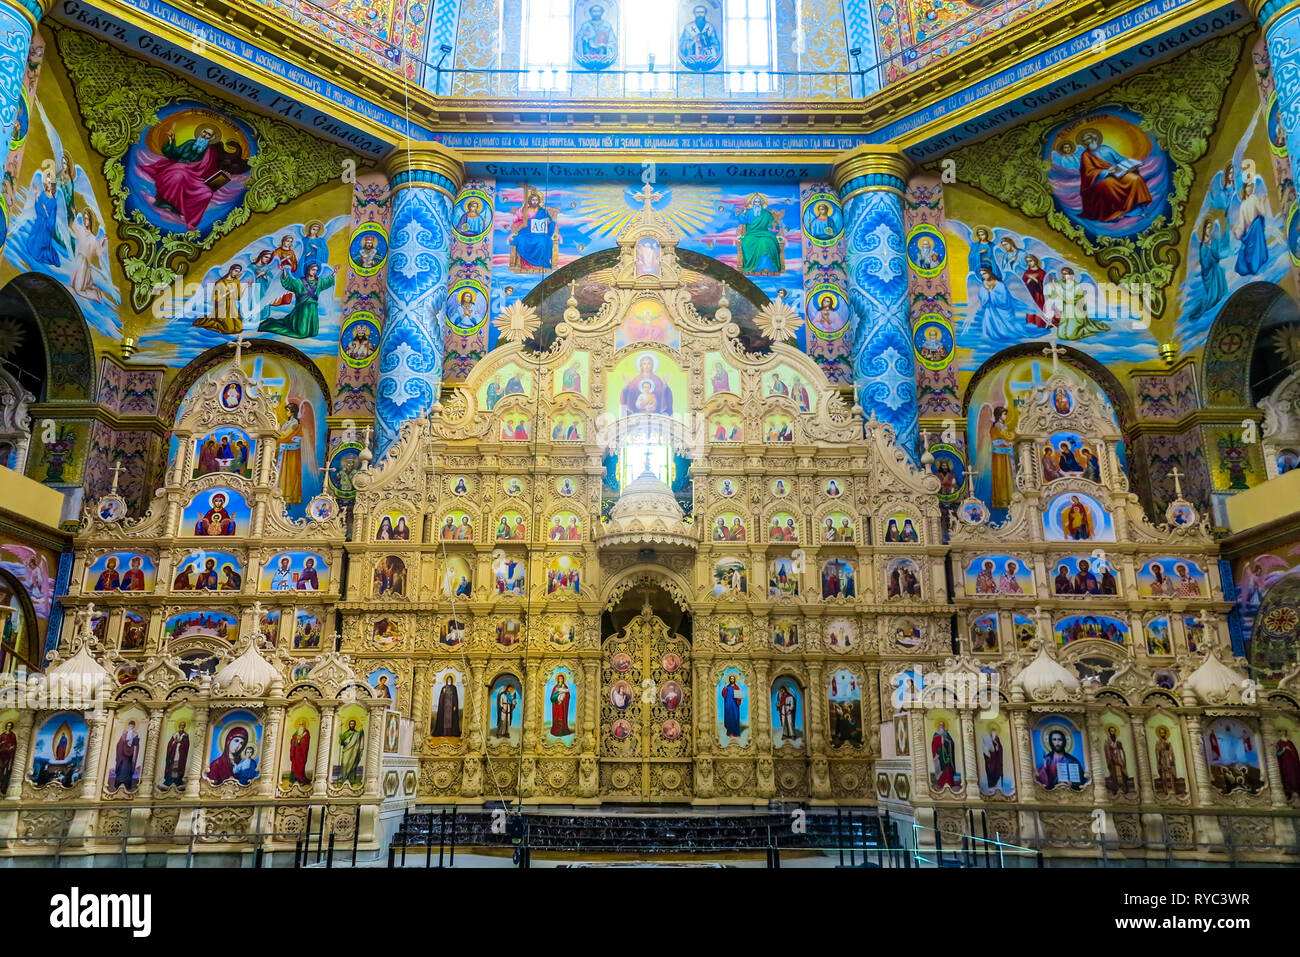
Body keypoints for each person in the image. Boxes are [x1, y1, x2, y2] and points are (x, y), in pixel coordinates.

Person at [143, 122, 250, 231]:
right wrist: (171, 140)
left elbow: (212, 171)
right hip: (179, 168)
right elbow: (174, 154)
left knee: (206, 193)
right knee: (178, 175)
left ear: (212, 138)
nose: (205, 135)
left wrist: (222, 177)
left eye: (209, 135)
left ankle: (187, 216)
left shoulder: (212, 153)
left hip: (197, 178)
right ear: (200, 133)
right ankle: (166, 204)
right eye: (204, 132)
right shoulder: (190, 143)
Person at [1074, 128, 1152, 223]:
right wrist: (1106, 172)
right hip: (1100, 179)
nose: (1087, 143)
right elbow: (1088, 173)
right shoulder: (1085, 156)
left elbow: (1120, 159)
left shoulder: (1106, 149)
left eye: (1088, 140)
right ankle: (1118, 212)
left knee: (1135, 179)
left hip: (1118, 173)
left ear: (1094, 138)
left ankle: (1138, 208)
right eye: (1084, 141)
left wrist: (1131, 165)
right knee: (1109, 185)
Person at [988, 406, 1015, 511]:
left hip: (1002, 454)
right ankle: (1004, 499)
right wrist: (1015, 433)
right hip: (1000, 455)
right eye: (1004, 414)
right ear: (999, 415)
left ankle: (1004, 499)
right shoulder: (999, 426)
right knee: (1002, 475)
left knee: (1004, 475)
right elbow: (1008, 436)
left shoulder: (1001, 425)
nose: (1005, 416)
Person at [111, 720, 140, 791]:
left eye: (132, 726)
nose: (131, 727)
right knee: (122, 769)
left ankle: (127, 785)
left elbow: (136, 745)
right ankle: (119, 783)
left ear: (134, 727)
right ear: (128, 726)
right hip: (123, 757)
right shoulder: (124, 733)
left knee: (128, 770)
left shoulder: (135, 734)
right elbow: (119, 744)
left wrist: (133, 746)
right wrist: (125, 744)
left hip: (130, 757)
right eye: (130, 726)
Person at [337, 718, 365, 784]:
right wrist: (342, 739)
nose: (351, 725)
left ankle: (351, 779)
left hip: (354, 752)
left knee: (352, 764)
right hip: (346, 751)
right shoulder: (346, 733)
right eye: (350, 724)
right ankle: (344, 777)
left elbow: (360, 739)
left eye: (353, 724)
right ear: (349, 725)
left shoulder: (357, 733)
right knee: (344, 763)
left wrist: (361, 731)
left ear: (355, 725)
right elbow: (341, 743)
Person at [931, 721, 958, 788]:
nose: (941, 726)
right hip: (940, 754)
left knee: (948, 768)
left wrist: (948, 741)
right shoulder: (936, 734)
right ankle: (942, 783)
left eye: (942, 725)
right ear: (938, 726)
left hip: (948, 754)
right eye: (940, 725)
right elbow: (934, 745)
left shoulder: (947, 733)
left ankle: (950, 782)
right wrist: (936, 753)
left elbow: (952, 742)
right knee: (942, 769)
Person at [981, 723, 1004, 792]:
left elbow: (1000, 748)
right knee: (989, 771)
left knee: (997, 771)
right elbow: (984, 747)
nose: (993, 731)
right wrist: (987, 751)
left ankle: (996, 785)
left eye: (994, 730)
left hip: (996, 758)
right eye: (991, 730)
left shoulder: (996, 738)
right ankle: (991, 786)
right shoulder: (987, 738)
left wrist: (996, 745)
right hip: (990, 758)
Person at [288, 719, 311, 785]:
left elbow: (306, 741)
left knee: (300, 766)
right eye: (300, 724)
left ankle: (300, 780)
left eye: (302, 724)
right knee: (294, 766)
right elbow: (293, 739)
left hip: (301, 753)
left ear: (304, 725)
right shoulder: (296, 732)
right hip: (295, 752)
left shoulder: (306, 732)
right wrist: (295, 739)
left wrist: (301, 739)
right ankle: (293, 780)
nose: (301, 725)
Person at [721, 673, 743, 739]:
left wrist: (739, 698)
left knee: (735, 718)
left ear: (734, 680)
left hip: (735, 706)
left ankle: (736, 733)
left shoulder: (737, 687)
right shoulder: (727, 687)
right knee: (729, 718)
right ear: (729, 680)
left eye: (733, 679)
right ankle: (730, 732)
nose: (732, 680)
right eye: (731, 679)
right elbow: (723, 695)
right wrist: (724, 687)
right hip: (729, 705)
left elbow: (739, 696)